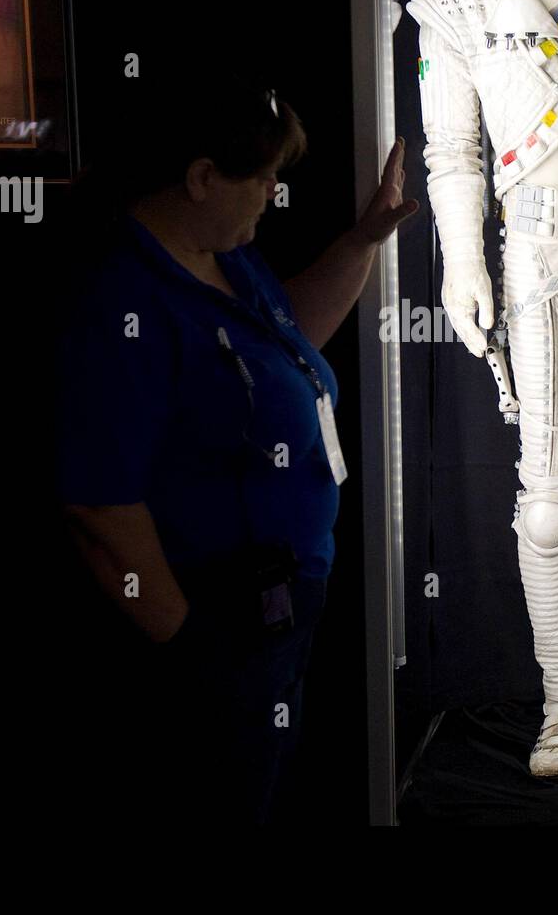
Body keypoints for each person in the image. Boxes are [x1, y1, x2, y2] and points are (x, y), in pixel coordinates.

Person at [56, 82, 417, 822]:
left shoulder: (223, 255)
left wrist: (363, 242)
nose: (274, 193)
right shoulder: (125, 302)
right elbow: (98, 503)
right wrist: (192, 650)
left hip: (271, 611)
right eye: (262, 178)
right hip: (212, 625)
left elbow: (286, 344)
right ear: (201, 178)